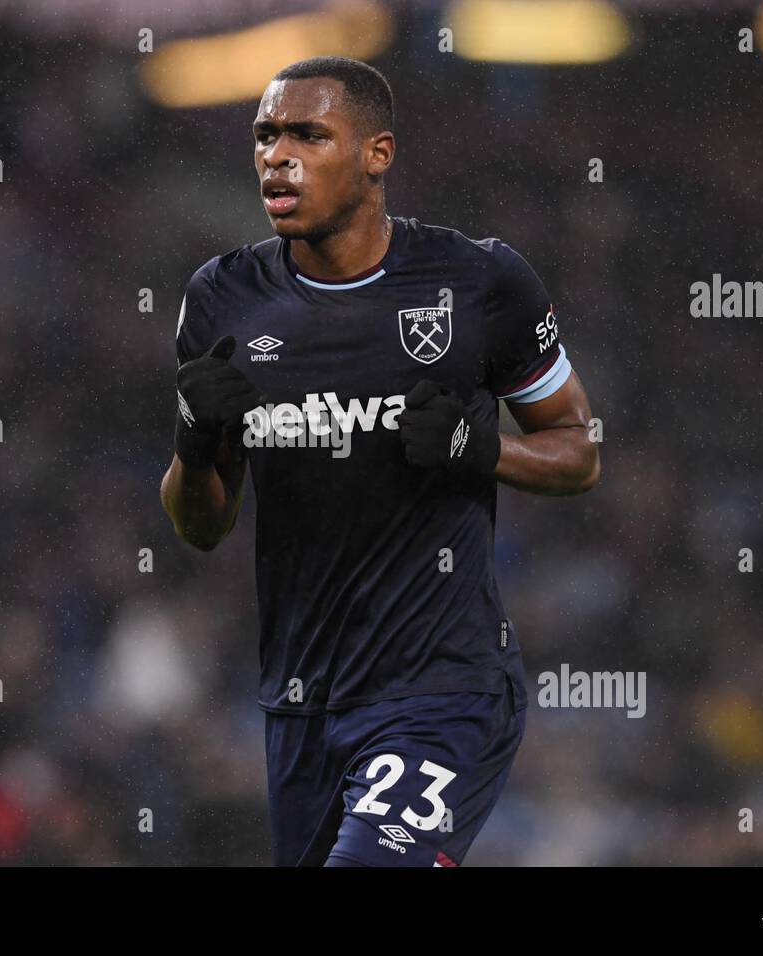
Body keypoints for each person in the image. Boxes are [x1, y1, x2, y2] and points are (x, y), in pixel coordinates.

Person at [160, 56, 600, 867]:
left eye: (307, 134)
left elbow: (579, 451)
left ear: (377, 155)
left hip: (442, 689)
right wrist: (193, 441)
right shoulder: (223, 298)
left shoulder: (477, 283)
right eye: (264, 135)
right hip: (301, 700)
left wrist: (478, 447)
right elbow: (201, 523)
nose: (276, 155)